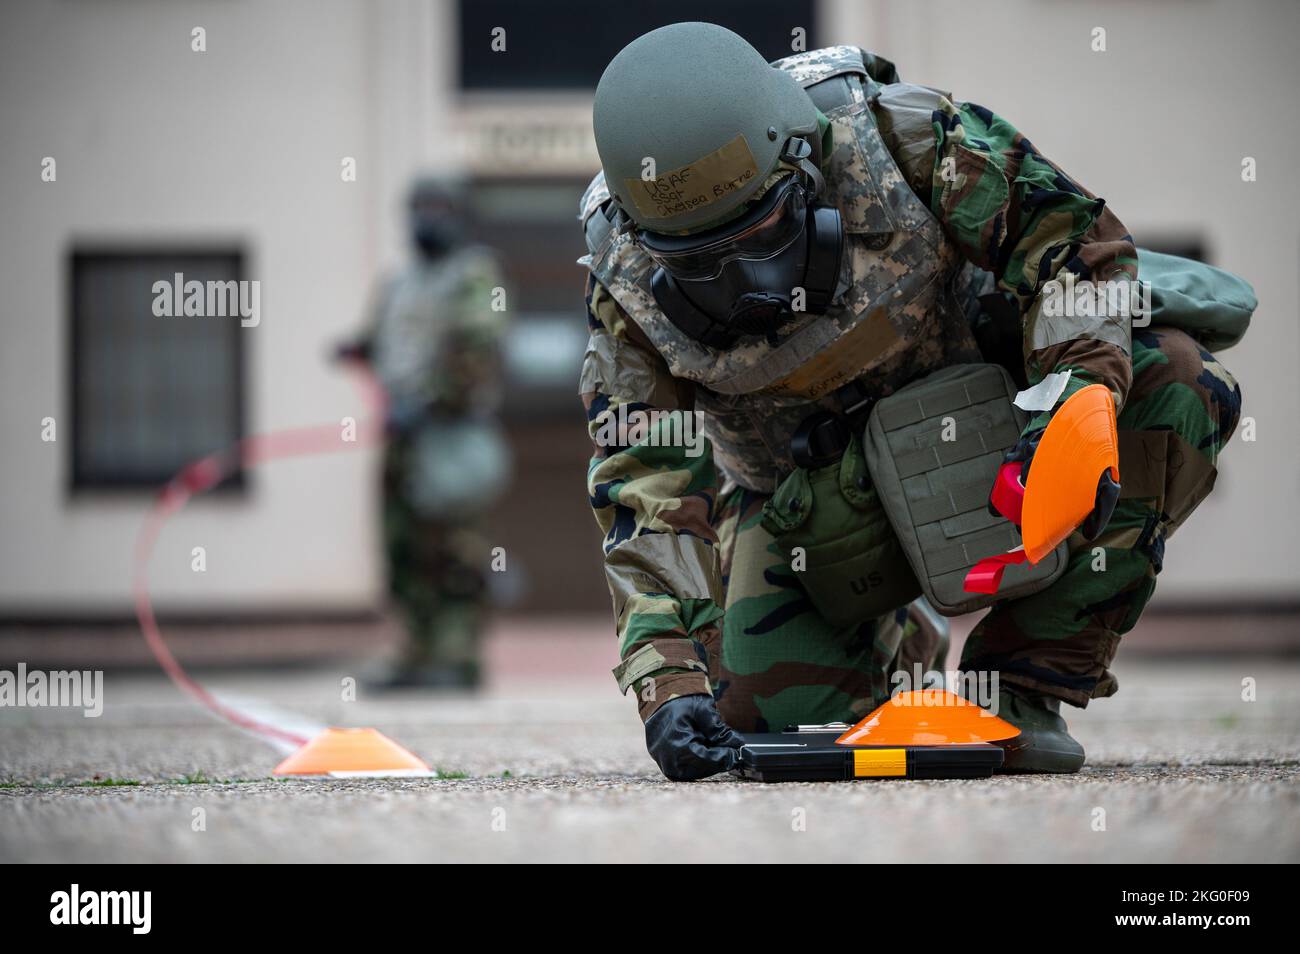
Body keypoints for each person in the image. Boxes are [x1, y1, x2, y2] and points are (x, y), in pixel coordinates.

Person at [577, 23, 1243, 779]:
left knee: (1178, 382)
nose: (746, 289)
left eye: (761, 237)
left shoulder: (906, 140)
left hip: (1001, 439)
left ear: (804, 166)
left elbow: (1076, 252)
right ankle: (899, 653)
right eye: (701, 267)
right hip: (813, 507)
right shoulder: (624, 278)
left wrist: (1077, 400)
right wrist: (667, 683)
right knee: (761, 711)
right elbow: (644, 483)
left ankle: (1023, 685)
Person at [339, 176, 510, 688]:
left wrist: (433, 400)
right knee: (402, 544)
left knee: (454, 548)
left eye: (438, 208)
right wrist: (357, 349)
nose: (426, 220)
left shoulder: (475, 274)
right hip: (403, 436)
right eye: (418, 208)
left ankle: (457, 657)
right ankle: (415, 652)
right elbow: (383, 338)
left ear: (458, 214)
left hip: (451, 434)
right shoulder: (400, 281)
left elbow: (477, 347)